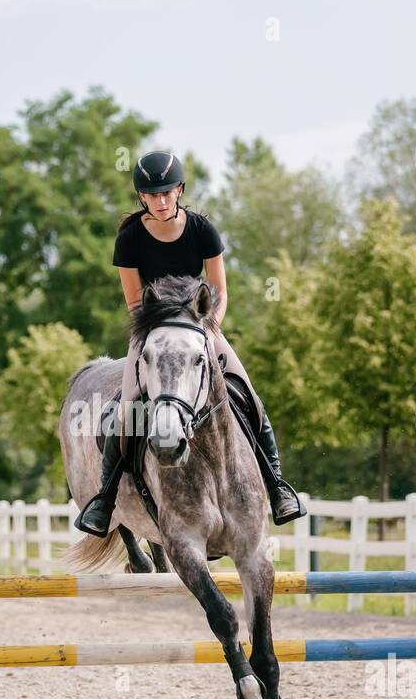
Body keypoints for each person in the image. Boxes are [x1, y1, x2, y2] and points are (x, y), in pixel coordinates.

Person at [73, 150, 306, 536]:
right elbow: (135, 303)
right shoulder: (129, 240)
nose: (161, 201)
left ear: (179, 190)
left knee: (248, 394)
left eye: (167, 193)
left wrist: (209, 330)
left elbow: (220, 292)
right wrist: (155, 337)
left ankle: (277, 485)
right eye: (152, 195)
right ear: (142, 198)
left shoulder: (202, 230)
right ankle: (105, 497)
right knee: (126, 408)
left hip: (201, 329)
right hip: (151, 334)